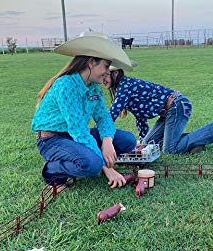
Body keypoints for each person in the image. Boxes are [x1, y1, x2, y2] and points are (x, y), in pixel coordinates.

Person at [32, 33, 137, 188]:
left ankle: (85, 156)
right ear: (91, 63)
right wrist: (107, 168)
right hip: (51, 140)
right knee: (93, 164)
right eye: (106, 66)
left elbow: (103, 117)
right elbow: (79, 130)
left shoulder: (93, 87)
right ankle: (51, 171)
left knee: (128, 140)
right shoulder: (66, 85)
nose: (108, 72)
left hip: (73, 136)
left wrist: (107, 141)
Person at [104, 68, 213, 154]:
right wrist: (143, 142)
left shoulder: (125, 86)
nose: (102, 79)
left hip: (177, 105)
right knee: (149, 144)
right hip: (168, 111)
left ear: (115, 73)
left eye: (105, 75)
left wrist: (103, 137)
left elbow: (111, 115)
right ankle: (196, 143)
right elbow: (140, 117)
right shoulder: (124, 88)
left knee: (170, 150)